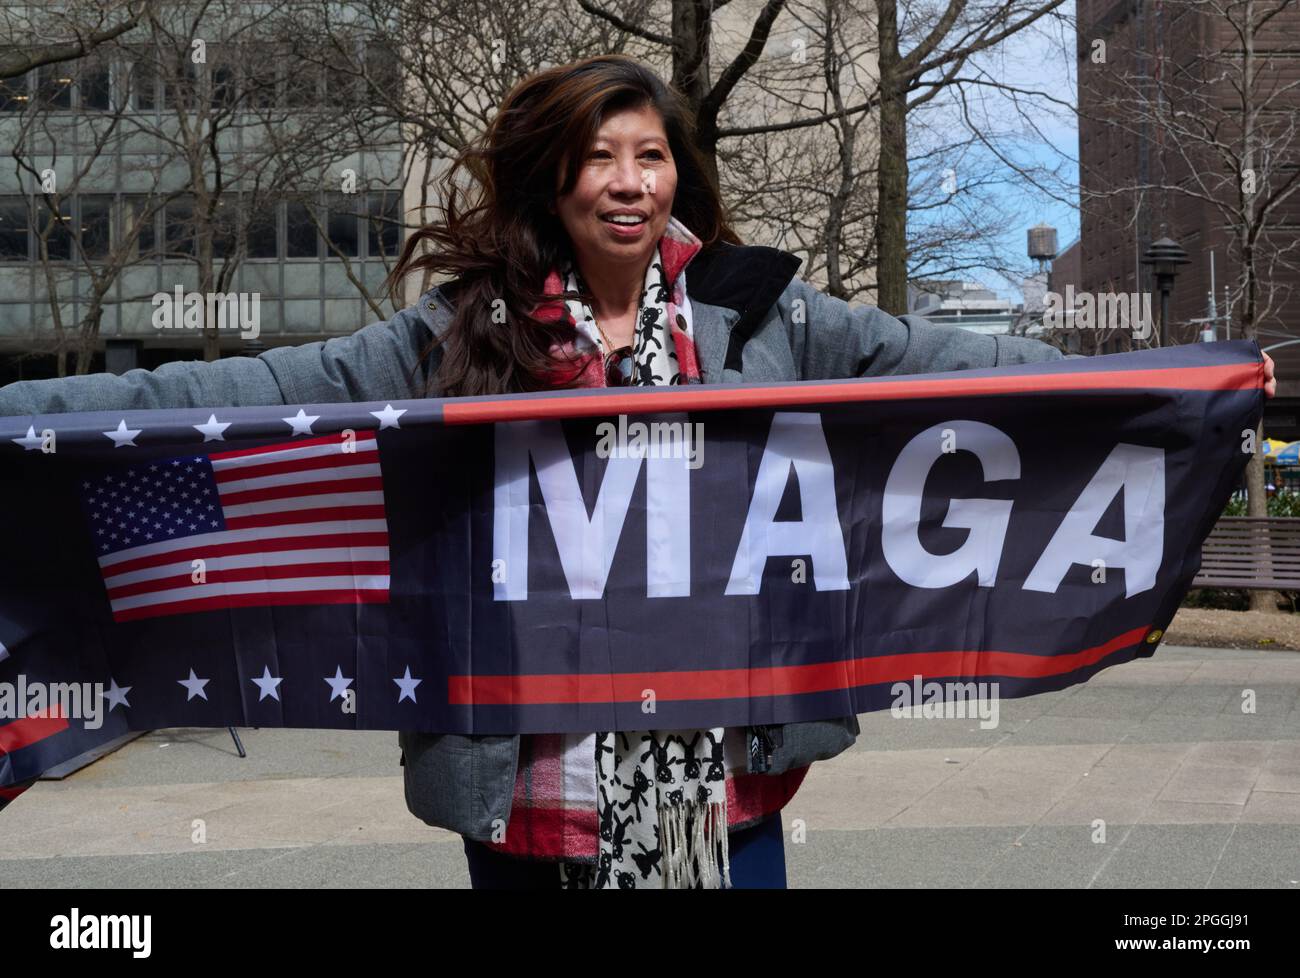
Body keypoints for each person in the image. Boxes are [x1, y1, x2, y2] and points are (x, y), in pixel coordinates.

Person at [0, 54, 1277, 889]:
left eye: (651, 157)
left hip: (725, 787)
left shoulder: (768, 316)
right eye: (601, 157)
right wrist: (24, 410)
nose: (628, 182)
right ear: (554, 177)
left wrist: (1178, 381)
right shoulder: (455, 331)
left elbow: (957, 372)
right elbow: (232, 396)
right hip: (524, 786)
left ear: (680, 175)